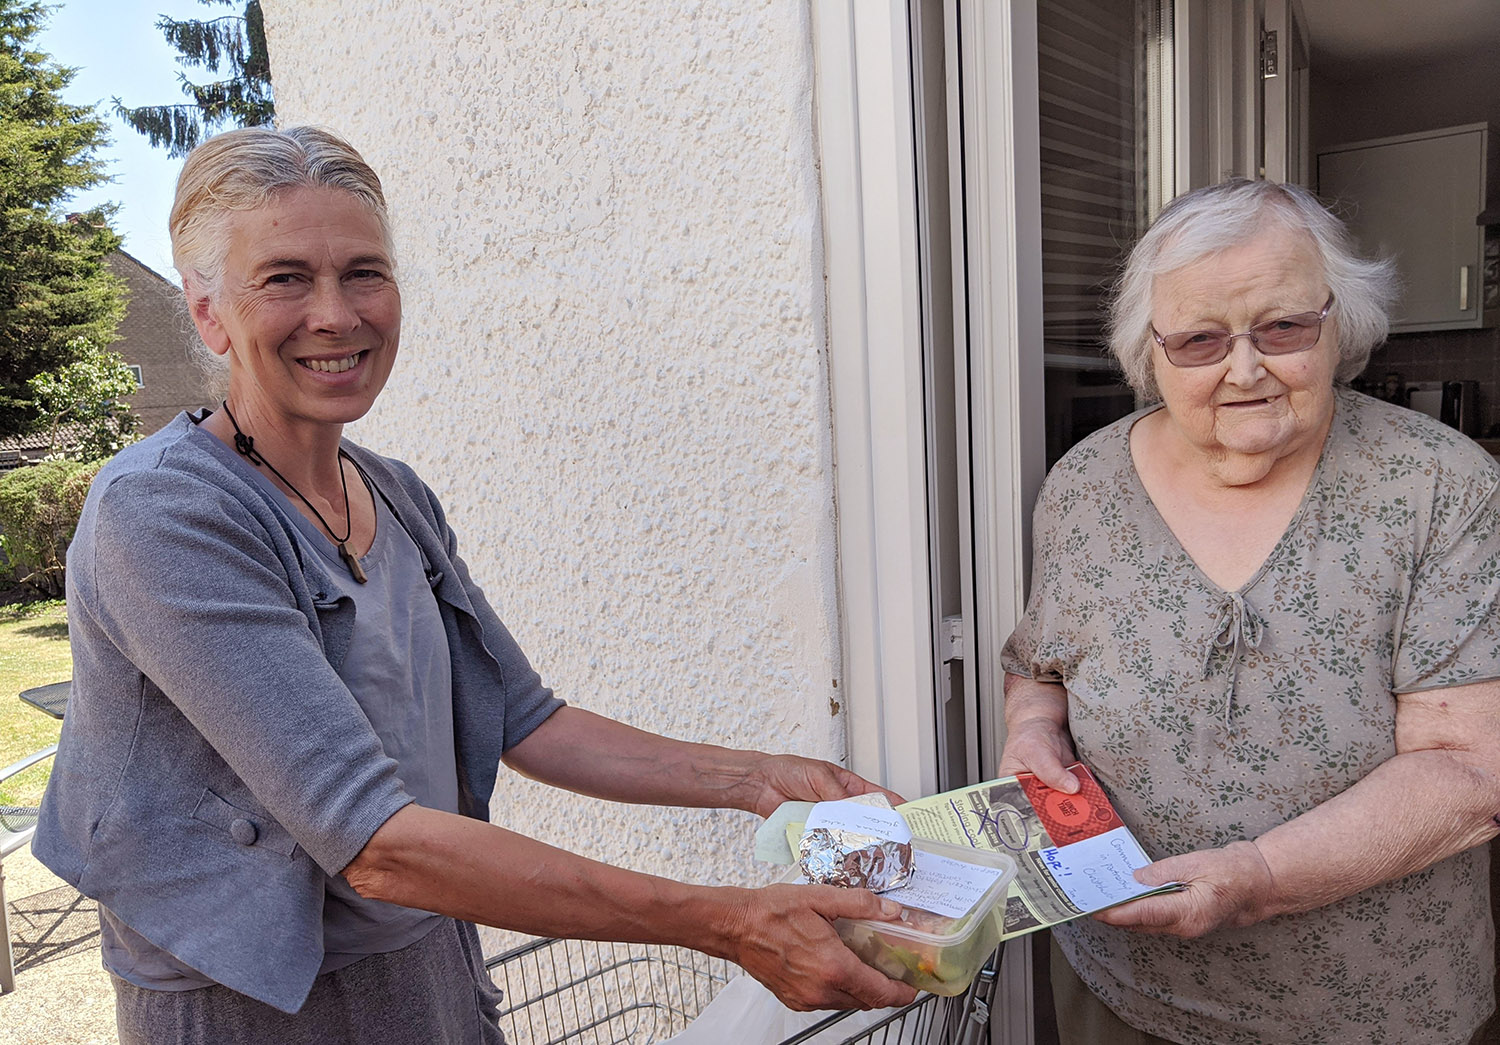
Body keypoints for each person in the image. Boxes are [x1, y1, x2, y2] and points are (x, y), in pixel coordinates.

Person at [33, 125, 917, 1044]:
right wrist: (730, 921)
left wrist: (760, 779)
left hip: (429, 957)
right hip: (249, 1005)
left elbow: (527, 719)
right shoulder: (165, 514)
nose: (336, 314)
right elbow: (373, 842)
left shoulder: (395, 492)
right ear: (209, 312)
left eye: (365, 272)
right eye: (286, 277)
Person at [999, 178, 1500, 1045]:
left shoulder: (1440, 486)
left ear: (1337, 320)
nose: (1244, 368)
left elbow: (1471, 770)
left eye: (1282, 327)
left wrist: (1257, 875)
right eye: (1198, 339)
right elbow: (1039, 666)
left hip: (1371, 1008)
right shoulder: (1084, 486)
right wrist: (1030, 731)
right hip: (1120, 987)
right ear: (1149, 350)